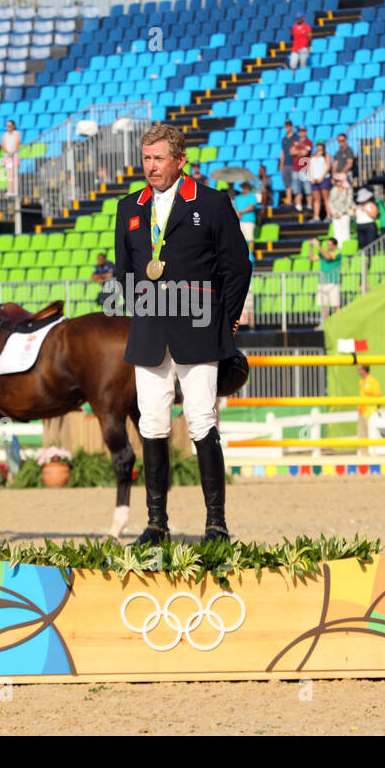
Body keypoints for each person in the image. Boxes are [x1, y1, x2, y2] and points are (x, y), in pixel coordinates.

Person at [113, 124, 251, 545]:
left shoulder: (210, 203)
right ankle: (156, 524)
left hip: (199, 329)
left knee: (200, 421)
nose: (151, 166)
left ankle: (216, 525)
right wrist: (143, 311)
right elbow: (124, 272)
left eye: (158, 159)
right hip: (151, 331)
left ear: (179, 160)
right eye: (146, 158)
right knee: (152, 423)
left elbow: (237, 268)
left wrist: (222, 322)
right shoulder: (128, 207)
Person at [311, 238, 341, 321]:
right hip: (322, 282)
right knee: (323, 305)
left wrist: (318, 246)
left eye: (330, 245)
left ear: (335, 246)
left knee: (335, 305)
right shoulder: (323, 253)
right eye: (327, 244)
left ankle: (338, 324)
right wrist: (311, 247)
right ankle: (325, 324)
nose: (328, 246)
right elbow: (311, 258)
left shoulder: (337, 253)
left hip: (333, 282)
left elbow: (328, 257)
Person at [290, 125, 313, 213]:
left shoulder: (309, 142)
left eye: (303, 131)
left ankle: (309, 206)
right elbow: (291, 152)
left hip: (305, 168)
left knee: (308, 189)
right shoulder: (295, 142)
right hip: (296, 168)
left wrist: (297, 152)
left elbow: (305, 153)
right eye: (300, 131)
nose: (301, 132)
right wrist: (300, 152)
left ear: (306, 132)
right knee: (297, 188)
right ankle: (298, 206)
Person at [356, 364, 382, 440]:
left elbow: (378, 397)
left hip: (370, 412)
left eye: (359, 369)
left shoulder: (373, 381)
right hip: (362, 412)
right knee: (362, 435)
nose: (357, 371)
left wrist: (373, 410)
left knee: (372, 435)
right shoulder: (362, 381)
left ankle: (372, 452)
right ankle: (364, 452)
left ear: (364, 370)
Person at [307, 142, 331, 221]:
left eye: (320, 145)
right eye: (318, 145)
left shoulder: (326, 155)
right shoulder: (312, 156)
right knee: (316, 199)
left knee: (326, 198)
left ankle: (329, 215)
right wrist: (311, 178)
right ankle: (316, 216)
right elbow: (310, 167)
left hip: (323, 178)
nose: (319, 146)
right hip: (314, 179)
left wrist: (322, 177)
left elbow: (328, 167)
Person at [329, 169, 354, 245]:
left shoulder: (348, 190)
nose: (337, 182)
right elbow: (331, 202)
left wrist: (340, 213)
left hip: (344, 214)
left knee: (345, 231)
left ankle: (345, 249)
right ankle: (338, 248)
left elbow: (348, 203)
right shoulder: (333, 190)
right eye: (336, 181)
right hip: (335, 215)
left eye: (338, 180)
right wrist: (334, 213)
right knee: (336, 232)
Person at [232, 181, 257, 255]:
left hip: (249, 220)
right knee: (241, 240)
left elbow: (251, 207)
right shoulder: (238, 197)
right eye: (243, 187)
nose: (244, 188)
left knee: (250, 239)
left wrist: (240, 212)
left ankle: (251, 256)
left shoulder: (252, 196)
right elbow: (234, 206)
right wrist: (237, 213)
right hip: (239, 221)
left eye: (245, 187)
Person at [278, 120, 298, 208]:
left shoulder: (296, 137)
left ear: (292, 126)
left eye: (289, 125)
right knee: (287, 184)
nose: (288, 127)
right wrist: (281, 164)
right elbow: (282, 152)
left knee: (296, 182)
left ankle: (297, 201)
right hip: (286, 164)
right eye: (286, 125)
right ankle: (289, 200)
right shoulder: (284, 139)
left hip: (294, 163)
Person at [353, 184, 378, 250]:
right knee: (362, 243)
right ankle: (364, 258)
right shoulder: (358, 206)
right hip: (360, 225)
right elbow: (355, 217)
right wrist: (354, 210)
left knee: (371, 243)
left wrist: (365, 209)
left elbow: (374, 215)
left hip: (369, 226)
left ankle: (371, 258)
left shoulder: (372, 204)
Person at [0, 120, 21, 197]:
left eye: (10, 126)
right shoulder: (4, 135)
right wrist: (8, 153)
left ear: (13, 126)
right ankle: (10, 191)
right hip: (8, 156)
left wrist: (12, 152)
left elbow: (17, 144)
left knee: (14, 174)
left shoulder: (16, 134)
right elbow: (2, 145)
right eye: (7, 126)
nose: (8, 127)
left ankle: (15, 191)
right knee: (9, 174)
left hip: (14, 155)